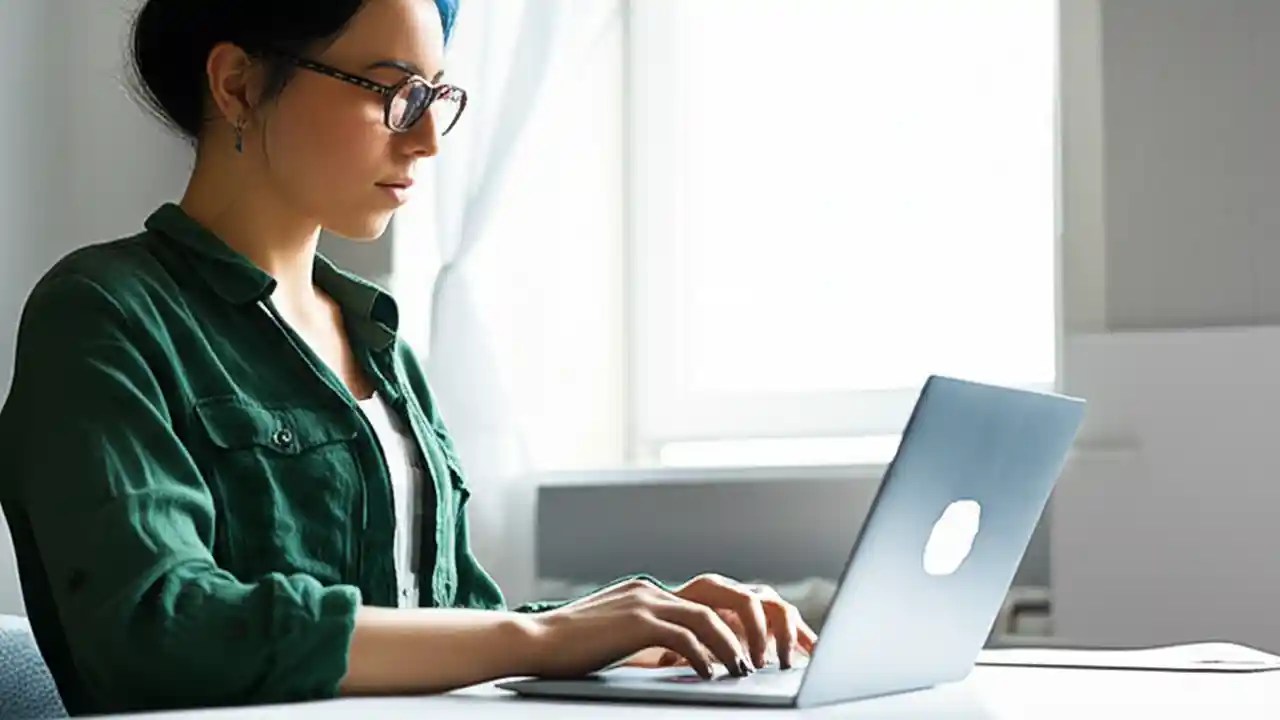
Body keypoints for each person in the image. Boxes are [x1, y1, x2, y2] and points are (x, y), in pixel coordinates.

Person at [0, 0, 818, 715]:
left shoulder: (381, 349)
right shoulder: (104, 314)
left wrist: (639, 629)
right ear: (239, 85)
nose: (427, 139)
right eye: (392, 92)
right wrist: (539, 637)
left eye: (435, 97)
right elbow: (158, 627)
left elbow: (449, 622)